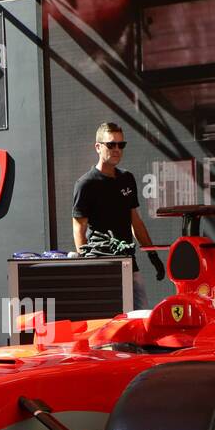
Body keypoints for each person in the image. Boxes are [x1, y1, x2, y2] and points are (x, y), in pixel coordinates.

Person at [72, 122, 165, 311]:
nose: (117, 150)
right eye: (111, 144)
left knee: (141, 318)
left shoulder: (127, 178)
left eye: (121, 145)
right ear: (98, 147)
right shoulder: (85, 184)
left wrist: (153, 255)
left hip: (129, 262)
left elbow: (135, 221)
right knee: (109, 321)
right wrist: (86, 266)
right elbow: (78, 228)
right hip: (101, 264)